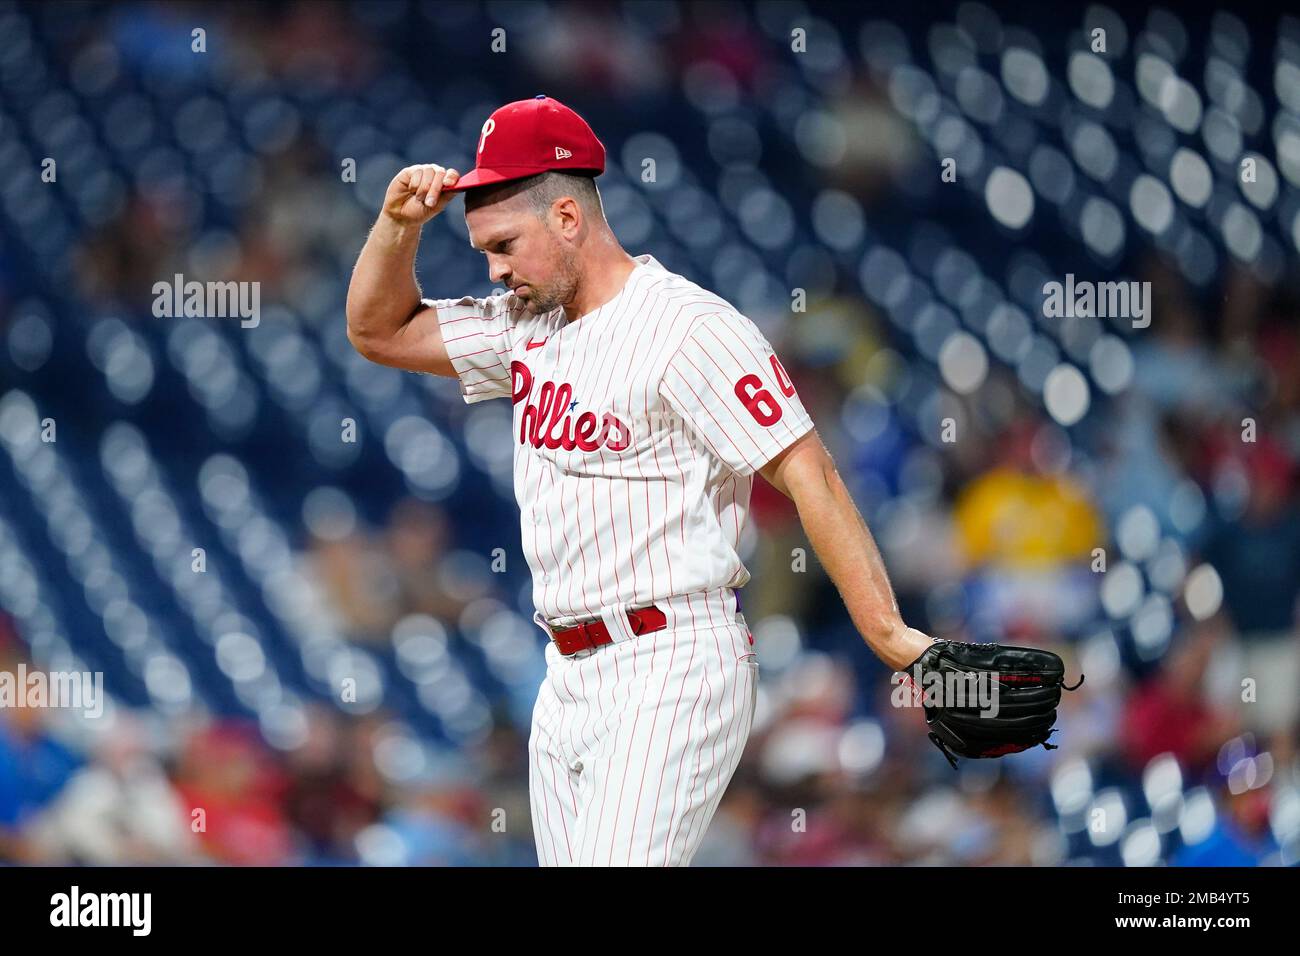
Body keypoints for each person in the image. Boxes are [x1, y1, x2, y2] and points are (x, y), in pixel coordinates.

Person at [345, 95, 935, 866]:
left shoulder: (690, 328)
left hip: (672, 660)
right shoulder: (525, 325)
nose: (494, 270)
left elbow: (809, 471)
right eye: (484, 250)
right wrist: (397, 227)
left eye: (504, 244)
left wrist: (891, 637)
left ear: (567, 216)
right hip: (565, 673)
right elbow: (377, 331)